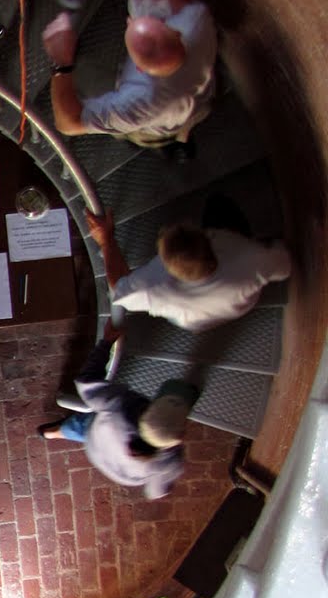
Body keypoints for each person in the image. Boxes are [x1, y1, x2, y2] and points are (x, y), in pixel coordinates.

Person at [43, 0, 216, 146]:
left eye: (130, 25)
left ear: (139, 68)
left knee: (136, 134)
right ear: (175, 32)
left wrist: (61, 62)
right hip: (196, 93)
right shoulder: (198, 19)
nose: (129, 21)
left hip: (157, 123)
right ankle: (190, 125)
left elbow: (68, 124)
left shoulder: (138, 103)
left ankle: (169, 142)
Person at [39, 326, 197, 499]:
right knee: (84, 431)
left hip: (98, 438)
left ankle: (50, 433)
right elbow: (155, 491)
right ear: (179, 436)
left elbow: (86, 382)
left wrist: (106, 342)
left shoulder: (119, 407)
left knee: (80, 426)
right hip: (110, 464)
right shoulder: (170, 463)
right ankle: (52, 434)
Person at [87, 205, 291, 333]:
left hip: (196, 321)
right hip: (238, 303)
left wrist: (106, 241)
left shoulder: (151, 289)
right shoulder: (253, 259)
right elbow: (285, 267)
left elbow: (117, 287)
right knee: (219, 205)